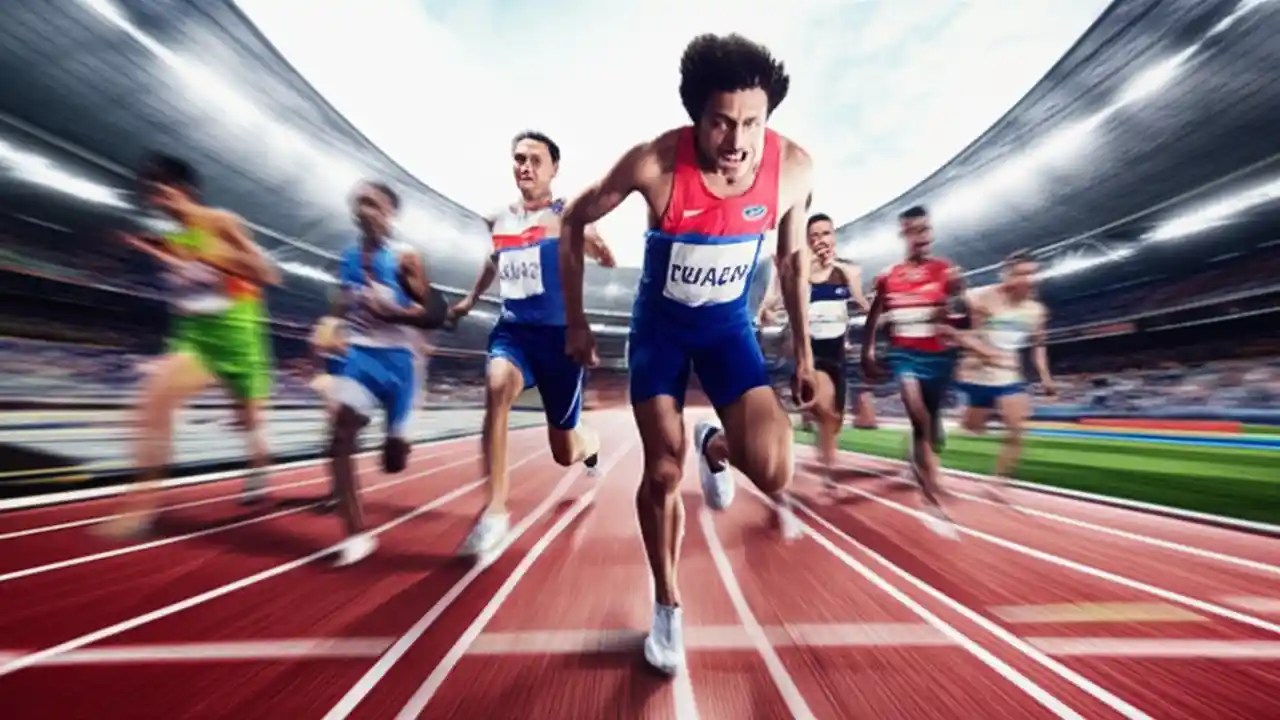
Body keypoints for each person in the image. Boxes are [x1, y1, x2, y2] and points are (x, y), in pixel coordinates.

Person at [559, 33, 817, 676]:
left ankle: (717, 446)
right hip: (662, 332)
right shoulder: (653, 164)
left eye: (752, 123)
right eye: (720, 123)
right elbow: (572, 221)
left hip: (728, 329)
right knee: (664, 470)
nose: (736, 142)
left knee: (776, 468)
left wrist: (806, 354)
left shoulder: (794, 169)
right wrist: (576, 320)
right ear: (695, 117)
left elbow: (790, 258)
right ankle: (669, 605)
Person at [449, 131, 616, 561]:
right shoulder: (499, 219)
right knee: (496, 386)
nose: (525, 166)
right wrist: (470, 298)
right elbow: (493, 261)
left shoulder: (568, 215)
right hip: (515, 333)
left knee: (566, 451)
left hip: (560, 342)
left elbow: (606, 258)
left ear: (553, 169)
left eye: (535, 160)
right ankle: (495, 513)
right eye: (519, 159)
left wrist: (592, 241)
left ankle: (590, 444)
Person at [101, 153, 280, 539]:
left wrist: (209, 256)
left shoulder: (221, 222)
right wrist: (150, 246)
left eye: (161, 190)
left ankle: (259, 469)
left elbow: (268, 274)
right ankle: (143, 501)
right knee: (152, 401)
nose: (155, 199)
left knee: (251, 426)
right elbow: (183, 267)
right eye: (150, 193)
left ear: (183, 190)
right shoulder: (173, 239)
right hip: (195, 339)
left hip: (241, 342)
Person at [328, 180, 446, 566]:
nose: (365, 209)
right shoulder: (347, 257)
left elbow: (432, 312)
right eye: (359, 202)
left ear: (390, 213)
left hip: (402, 364)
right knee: (340, 435)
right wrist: (331, 321)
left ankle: (398, 440)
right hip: (362, 356)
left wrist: (392, 313)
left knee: (394, 461)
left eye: (373, 203)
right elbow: (344, 300)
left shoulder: (404, 258)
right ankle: (356, 535)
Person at [861, 205, 966, 539]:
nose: (922, 237)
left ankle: (921, 451)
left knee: (930, 425)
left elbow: (965, 314)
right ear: (904, 233)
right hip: (905, 355)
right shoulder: (888, 276)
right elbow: (874, 316)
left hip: (939, 358)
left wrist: (955, 317)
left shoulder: (945, 271)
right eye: (914, 231)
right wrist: (868, 350)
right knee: (919, 417)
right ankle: (930, 500)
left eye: (926, 230)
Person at [762, 213, 869, 487]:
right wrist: (767, 310)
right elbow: (771, 302)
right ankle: (829, 475)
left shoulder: (849, 270)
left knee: (834, 422)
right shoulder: (799, 269)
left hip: (837, 351)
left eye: (826, 234)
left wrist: (882, 302)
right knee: (826, 410)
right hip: (809, 351)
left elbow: (861, 304)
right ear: (807, 241)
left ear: (834, 237)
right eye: (814, 236)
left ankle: (810, 421)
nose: (821, 240)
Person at [954, 250, 1056, 498]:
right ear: (1007, 275)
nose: (1028, 279)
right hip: (976, 374)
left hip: (1009, 375)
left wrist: (1045, 377)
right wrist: (982, 350)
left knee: (1017, 428)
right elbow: (958, 333)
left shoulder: (1036, 311)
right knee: (971, 428)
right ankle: (927, 437)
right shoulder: (980, 298)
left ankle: (998, 483)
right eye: (1021, 274)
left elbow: (1038, 345)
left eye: (1032, 273)